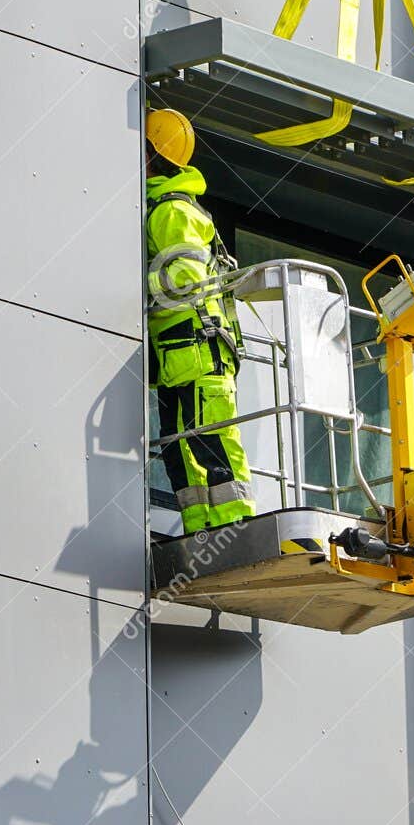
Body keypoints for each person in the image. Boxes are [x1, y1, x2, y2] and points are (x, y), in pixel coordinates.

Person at [144, 107, 255, 535]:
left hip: (197, 350)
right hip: (181, 355)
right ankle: (200, 530)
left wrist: (131, 283)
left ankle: (235, 525)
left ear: (153, 156)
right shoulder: (164, 206)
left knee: (209, 440)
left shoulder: (171, 210)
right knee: (180, 449)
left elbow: (184, 279)